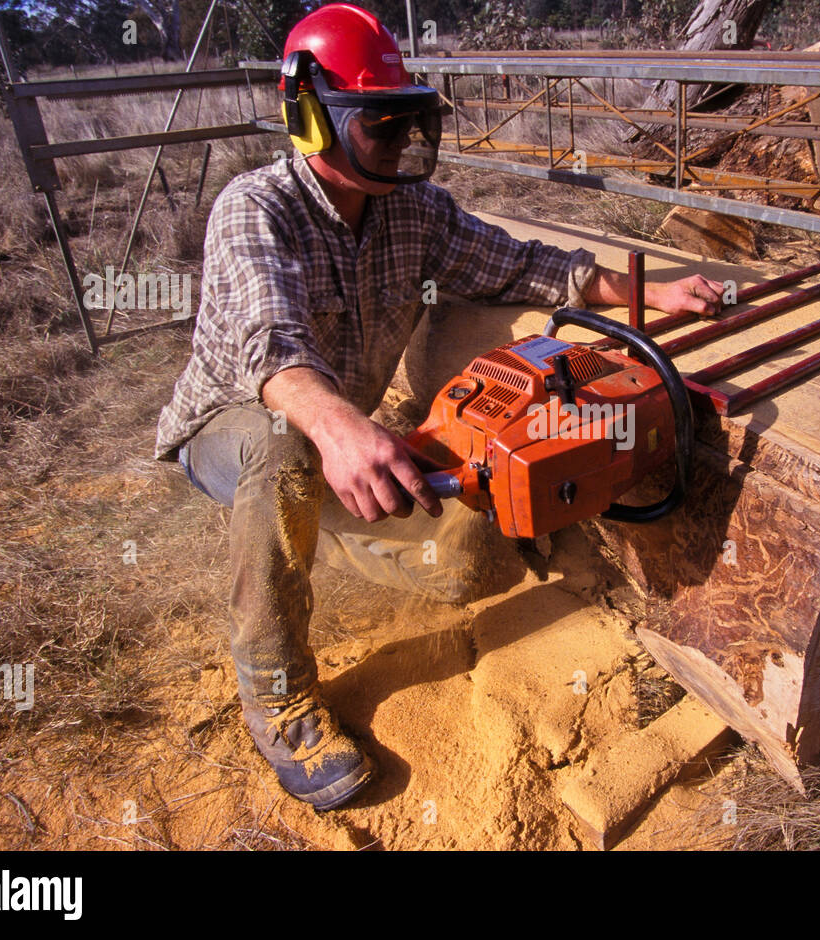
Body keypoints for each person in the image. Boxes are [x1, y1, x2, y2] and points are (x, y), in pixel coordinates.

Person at [154, 3, 724, 811]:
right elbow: (270, 350)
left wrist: (650, 292)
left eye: (405, 126)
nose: (397, 147)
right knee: (281, 448)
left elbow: (523, 265)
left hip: (340, 434)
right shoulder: (257, 209)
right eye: (377, 128)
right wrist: (346, 432)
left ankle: (326, 520)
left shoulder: (408, 212)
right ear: (310, 116)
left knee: (471, 565)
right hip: (234, 424)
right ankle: (276, 697)